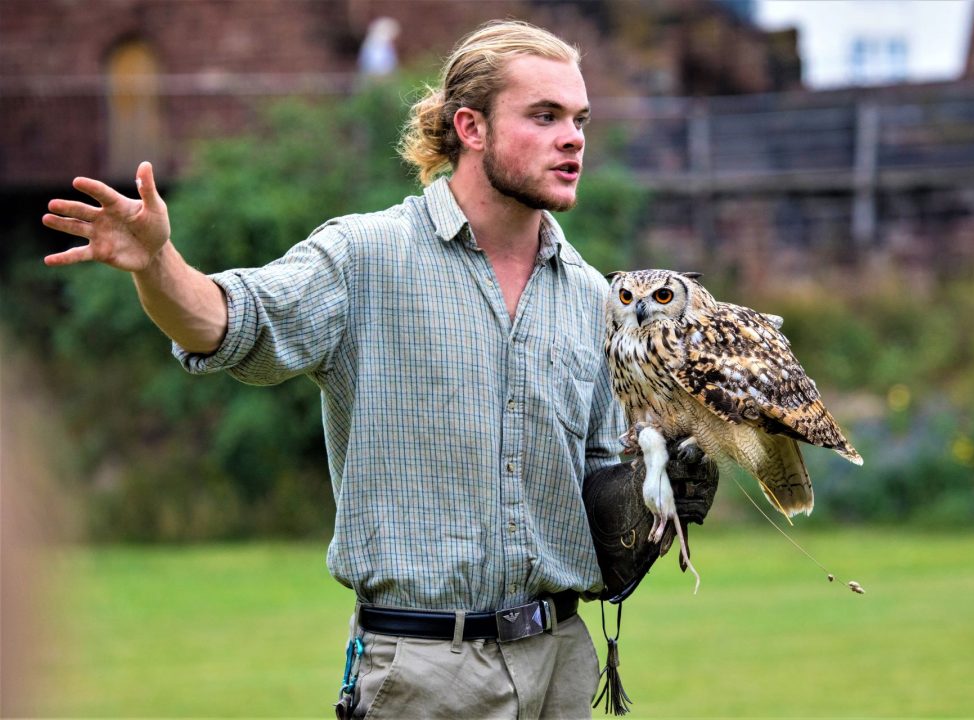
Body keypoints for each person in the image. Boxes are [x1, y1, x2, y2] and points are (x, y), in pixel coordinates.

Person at [42, 19, 715, 719]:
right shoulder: (368, 257)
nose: (572, 136)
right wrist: (156, 264)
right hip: (423, 674)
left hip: (563, 669)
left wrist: (651, 491)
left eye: (578, 118)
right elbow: (225, 320)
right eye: (543, 116)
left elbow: (601, 487)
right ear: (471, 127)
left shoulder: (594, 299)